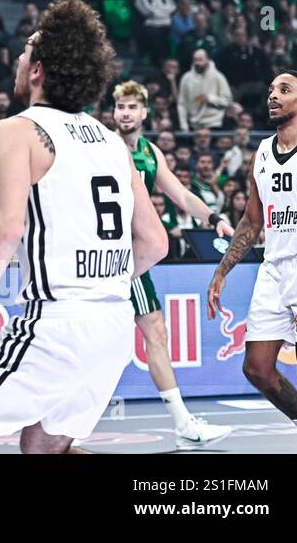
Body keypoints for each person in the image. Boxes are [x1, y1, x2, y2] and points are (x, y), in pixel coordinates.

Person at [0, 0, 168, 453]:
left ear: (38, 70)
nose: (17, 56)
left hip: (56, 324)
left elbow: (5, 230)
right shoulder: (113, 142)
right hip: (112, 325)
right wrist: (99, 281)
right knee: (44, 451)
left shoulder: (17, 130)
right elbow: (154, 243)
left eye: (26, 50)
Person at [111, 80, 233, 446]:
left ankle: (183, 423)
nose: (125, 113)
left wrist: (215, 220)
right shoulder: (103, 147)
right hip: (109, 253)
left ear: (145, 113)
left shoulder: (150, 152)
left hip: (134, 256)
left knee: (155, 332)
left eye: (132, 107)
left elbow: (180, 194)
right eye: (120, 107)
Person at [209, 70, 297, 454]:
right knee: (256, 368)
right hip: (274, 266)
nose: (273, 95)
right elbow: (253, 220)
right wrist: (222, 271)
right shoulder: (261, 156)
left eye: (284, 90)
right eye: (271, 89)